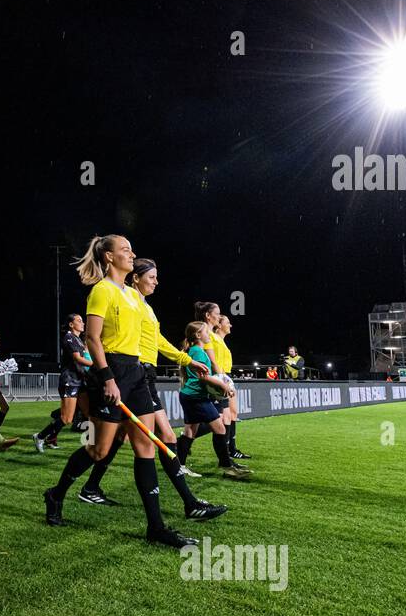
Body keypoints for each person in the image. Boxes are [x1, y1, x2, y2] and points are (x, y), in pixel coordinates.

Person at [42, 235, 197, 548]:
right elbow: (92, 339)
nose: (133, 254)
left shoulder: (132, 295)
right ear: (109, 257)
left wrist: (179, 359)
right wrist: (108, 378)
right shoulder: (102, 291)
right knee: (99, 450)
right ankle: (55, 495)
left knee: (146, 448)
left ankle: (156, 528)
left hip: (135, 373)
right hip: (110, 373)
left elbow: (148, 336)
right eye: (125, 250)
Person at [72, 259, 228, 518]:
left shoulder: (144, 306)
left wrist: (185, 359)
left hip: (142, 375)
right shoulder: (128, 298)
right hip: (135, 374)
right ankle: (188, 503)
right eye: (152, 277)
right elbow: (106, 337)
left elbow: (156, 339)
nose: (156, 282)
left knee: (123, 440)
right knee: (155, 438)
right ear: (136, 278)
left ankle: (90, 487)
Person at [178, 321, 251, 479]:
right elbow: (203, 378)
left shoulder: (195, 350)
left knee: (191, 430)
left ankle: (180, 465)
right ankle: (227, 466)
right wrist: (223, 385)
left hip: (190, 395)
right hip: (195, 397)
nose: (208, 335)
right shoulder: (197, 351)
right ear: (198, 335)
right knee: (220, 428)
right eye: (206, 332)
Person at [33, 314, 90, 451]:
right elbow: (78, 359)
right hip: (70, 380)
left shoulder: (79, 340)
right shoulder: (69, 337)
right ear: (71, 324)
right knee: (66, 418)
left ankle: (92, 444)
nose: (83, 323)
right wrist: (98, 366)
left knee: (90, 414)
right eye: (79, 321)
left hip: (80, 381)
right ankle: (40, 436)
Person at [214, 313, 250, 460]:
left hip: (226, 377)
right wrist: (223, 381)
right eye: (227, 322)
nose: (230, 325)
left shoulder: (221, 341)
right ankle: (185, 440)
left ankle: (232, 449)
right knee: (219, 419)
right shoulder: (215, 340)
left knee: (233, 414)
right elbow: (214, 363)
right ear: (219, 325)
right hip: (221, 379)